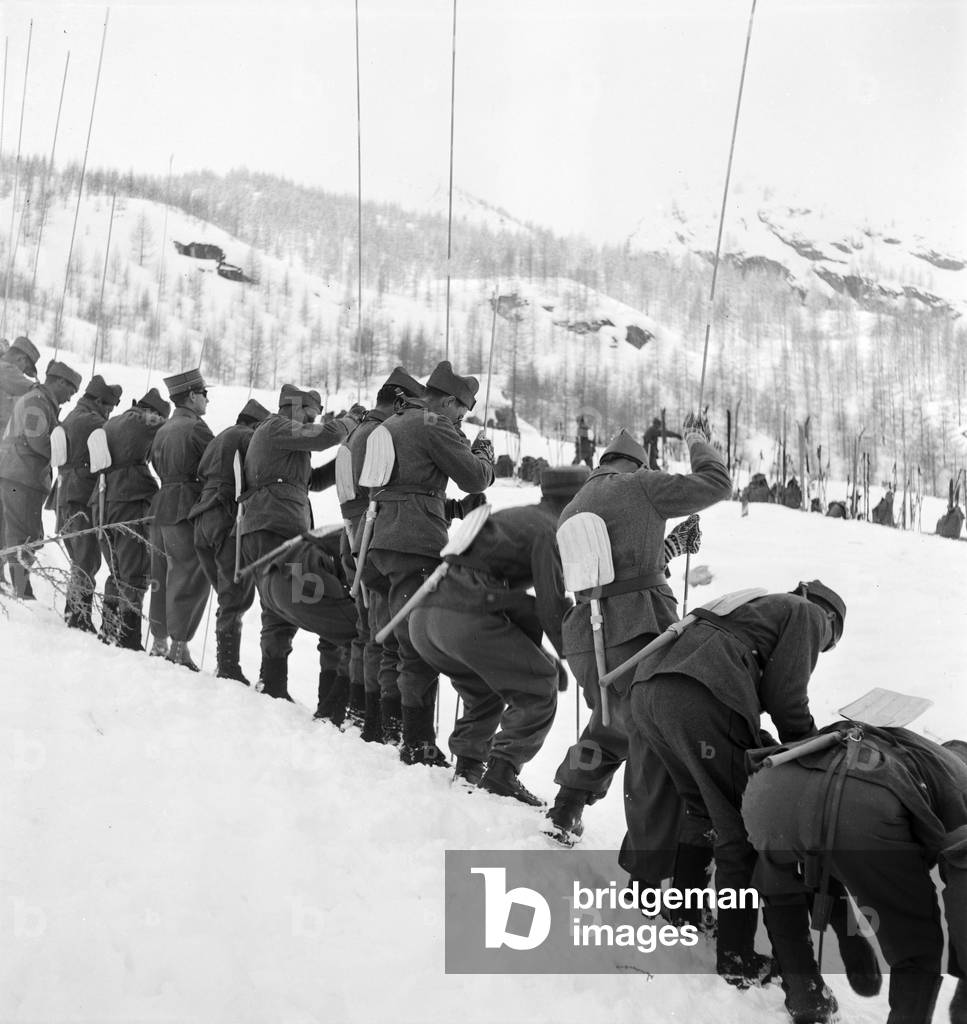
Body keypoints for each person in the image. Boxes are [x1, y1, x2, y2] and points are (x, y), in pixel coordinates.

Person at [628, 581, 846, 994]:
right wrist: (810, 747)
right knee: (739, 831)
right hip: (702, 694)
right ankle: (736, 956)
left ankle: (685, 913)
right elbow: (785, 697)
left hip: (649, 691)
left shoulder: (751, 602)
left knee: (700, 808)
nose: (820, 648)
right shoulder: (808, 614)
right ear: (830, 618)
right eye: (827, 644)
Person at [544, 420, 730, 882]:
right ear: (638, 465)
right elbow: (717, 483)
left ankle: (566, 806)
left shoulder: (576, 504)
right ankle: (651, 872)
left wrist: (668, 545)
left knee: (613, 723)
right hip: (637, 631)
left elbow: (610, 571)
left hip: (588, 639)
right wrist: (696, 441)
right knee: (659, 745)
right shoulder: (642, 485)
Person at [742, 726, 967, 1024]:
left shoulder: (910, 746)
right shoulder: (959, 781)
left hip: (771, 791)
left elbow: (831, 850)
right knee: (917, 944)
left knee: (781, 880)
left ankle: (804, 995)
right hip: (863, 809)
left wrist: (850, 934)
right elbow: (961, 882)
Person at [408, 465, 584, 804]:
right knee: (540, 684)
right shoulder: (553, 529)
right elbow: (551, 602)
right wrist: (568, 652)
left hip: (425, 618)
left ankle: (469, 768)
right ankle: (502, 773)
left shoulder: (518, 517)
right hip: (464, 617)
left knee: (487, 690)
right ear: (577, 501)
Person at [363, 359, 495, 766]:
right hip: (415, 542)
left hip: (381, 543)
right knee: (418, 646)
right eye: (463, 410)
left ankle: (393, 729)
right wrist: (484, 456)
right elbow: (473, 477)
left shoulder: (394, 423)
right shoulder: (433, 424)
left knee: (394, 643)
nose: (462, 418)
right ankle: (417, 744)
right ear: (450, 401)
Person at [238, 384, 349, 701]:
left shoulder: (283, 439)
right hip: (274, 523)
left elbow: (311, 481)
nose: (313, 422)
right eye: (310, 415)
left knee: (277, 607)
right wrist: (350, 423)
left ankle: (272, 682)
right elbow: (324, 437)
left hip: (273, 524)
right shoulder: (276, 427)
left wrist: (344, 460)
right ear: (293, 408)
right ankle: (318, 692)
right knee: (301, 602)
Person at [336, 367, 426, 740]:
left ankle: (362, 714)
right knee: (385, 635)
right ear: (400, 402)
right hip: (371, 533)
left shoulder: (358, 430)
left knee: (368, 632)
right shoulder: (379, 432)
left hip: (354, 531)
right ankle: (384, 724)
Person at [189, 397, 271, 684]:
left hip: (201, 516)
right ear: (256, 424)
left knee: (225, 592)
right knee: (234, 594)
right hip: (225, 516)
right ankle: (227, 667)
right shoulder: (249, 436)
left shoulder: (219, 437)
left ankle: (226, 663)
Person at [148, 369, 215, 670]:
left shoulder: (163, 428)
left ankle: (159, 641)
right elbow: (216, 465)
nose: (207, 400)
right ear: (191, 395)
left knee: (160, 576)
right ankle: (179, 647)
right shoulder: (196, 428)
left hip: (160, 507)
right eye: (204, 394)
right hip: (186, 507)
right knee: (191, 575)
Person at [96, 389, 171, 649]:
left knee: (116, 569)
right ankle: (129, 638)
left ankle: (108, 629)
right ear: (153, 412)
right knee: (135, 571)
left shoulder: (113, 421)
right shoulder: (143, 421)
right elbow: (172, 432)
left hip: (106, 500)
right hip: (132, 501)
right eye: (160, 416)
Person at [0, 360, 81, 598]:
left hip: (19, 475)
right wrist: (66, 452)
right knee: (25, 532)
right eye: (70, 391)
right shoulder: (37, 402)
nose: (69, 398)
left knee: (12, 529)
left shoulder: (41, 401)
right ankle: (21, 589)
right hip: (22, 477)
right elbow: (39, 442)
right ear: (59, 382)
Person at [55, 374, 123, 630]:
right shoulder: (94, 422)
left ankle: (75, 613)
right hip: (81, 497)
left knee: (81, 557)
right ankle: (77, 616)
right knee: (87, 558)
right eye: (108, 406)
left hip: (66, 494)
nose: (108, 412)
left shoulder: (73, 416)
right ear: (98, 400)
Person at [0, 336, 40, 587]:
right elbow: (34, 391)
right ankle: (17, 583)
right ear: (21, 359)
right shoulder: (6, 369)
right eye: (26, 368)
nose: (24, 373)